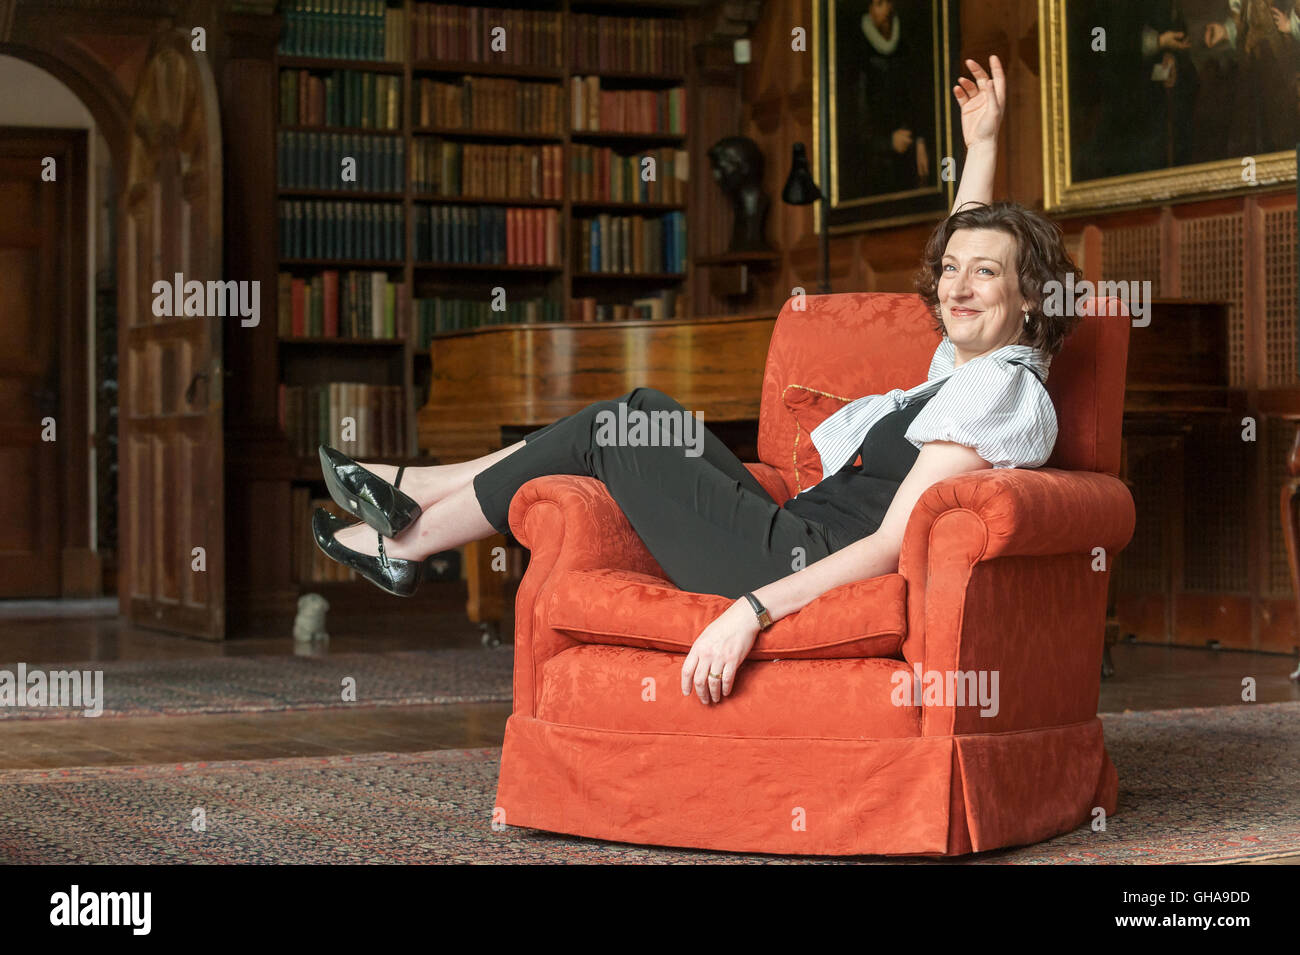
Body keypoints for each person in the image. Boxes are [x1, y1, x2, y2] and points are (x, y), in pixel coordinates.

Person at [313, 56, 1082, 707]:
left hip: (791, 563)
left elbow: (889, 544)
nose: (958, 286)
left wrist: (753, 609)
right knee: (642, 414)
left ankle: (411, 521)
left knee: (623, 427)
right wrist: (982, 143)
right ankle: (411, 515)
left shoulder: (995, 390)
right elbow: (969, 249)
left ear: (1031, 298)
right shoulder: (970, 366)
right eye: (950, 271)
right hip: (787, 531)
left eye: (986, 275)